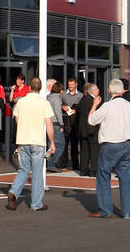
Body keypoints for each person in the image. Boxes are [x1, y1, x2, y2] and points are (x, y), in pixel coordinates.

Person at [87, 78, 130, 218]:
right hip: (127, 143)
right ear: (122, 90)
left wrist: (94, 105)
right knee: (126, 179)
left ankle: (105, 210)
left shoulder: (107, 106)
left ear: (109, 91)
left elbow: (91, 120)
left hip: (110, 144)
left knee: (103, 176)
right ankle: (126, 212)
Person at [6, 78, 54, 211]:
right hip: (37, 141)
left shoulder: (21, 102)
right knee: (37, 173)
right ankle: (36, 203)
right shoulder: (44, 103)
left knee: (23, 169)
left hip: (22, 139)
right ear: (40, 88)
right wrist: (52, 143)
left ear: (29, 87)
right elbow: (49, 124)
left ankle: (14, 191)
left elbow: (16, 119)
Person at [76, 83, 99, 176]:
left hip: (83, 129)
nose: (98, 90)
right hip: (92, 129)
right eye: (97, 89)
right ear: (93, 91)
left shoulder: (83, 99)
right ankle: (93, 170)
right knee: (94, 150)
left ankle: (83, 169)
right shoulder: (93, 101)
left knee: (84, 150)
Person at [62, 77, 82, 171]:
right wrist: (63, 107)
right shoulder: (63, 95)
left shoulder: (80, 96)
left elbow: (82, 107)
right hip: (65, 120)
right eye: (69, 85)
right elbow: (60, 104)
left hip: (75, 122)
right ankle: (63, 163)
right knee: (64, 144)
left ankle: (75, 164)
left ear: (76, 84)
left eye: (72, 84)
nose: (70, 86)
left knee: (74, 144)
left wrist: (76, 110)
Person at [46, 80, 65, 172]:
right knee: (61, 144)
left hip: (48, 122)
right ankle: (52, 163)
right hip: (55, 123)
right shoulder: (57, 99)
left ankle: (48, 162)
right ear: (59, 90)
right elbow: (58, 112)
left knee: (50, 145)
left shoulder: (48, 98)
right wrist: (62, 124)